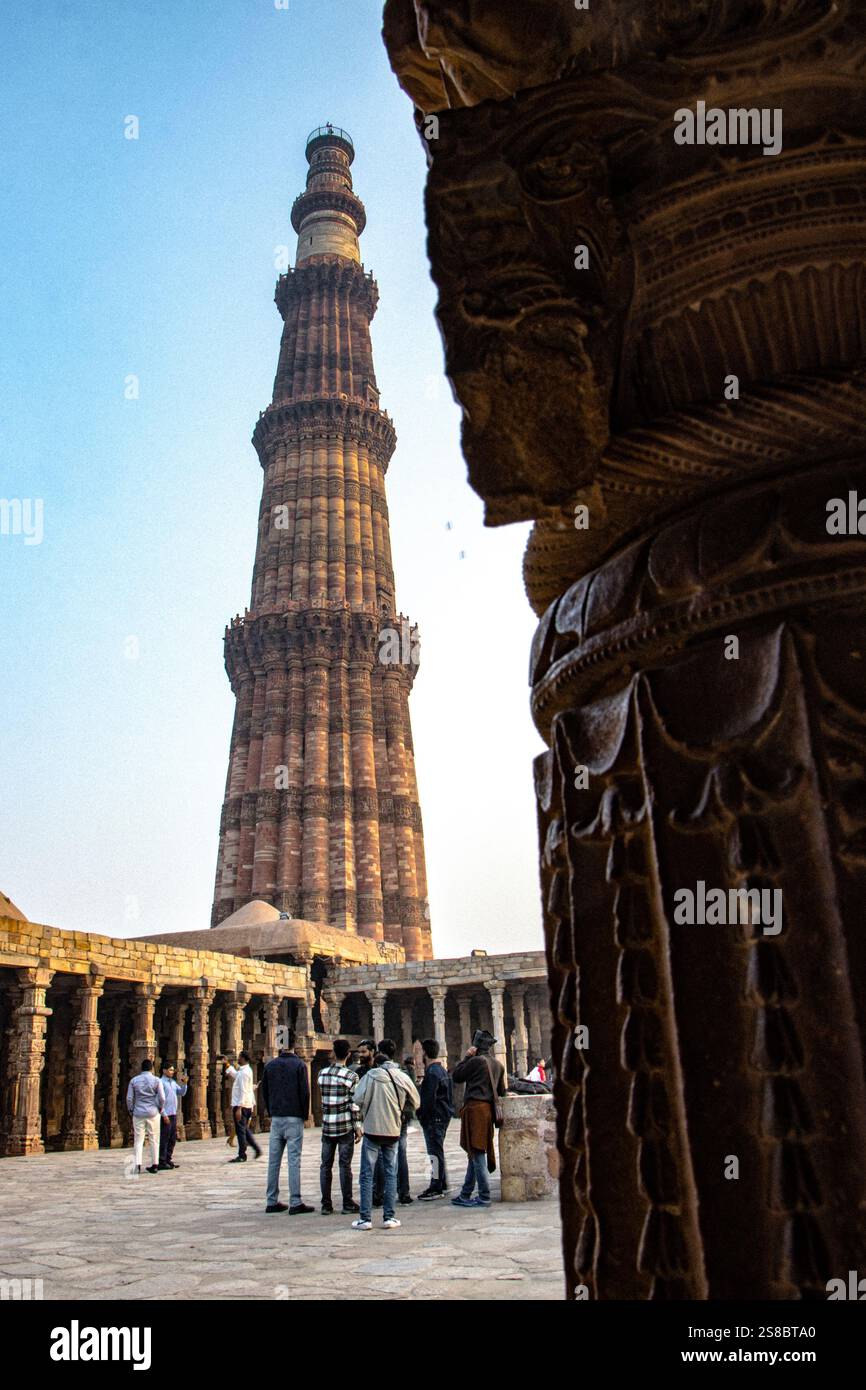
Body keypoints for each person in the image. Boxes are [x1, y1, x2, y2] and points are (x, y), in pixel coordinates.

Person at [352, 1044, 420, 1231]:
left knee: (366, 1174)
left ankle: (365, 1219)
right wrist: (400, 1107)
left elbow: (357, 1099)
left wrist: (370, 1107)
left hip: (372, 1130)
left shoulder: (369, 1076)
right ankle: (389, 1217)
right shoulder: (401, 1076)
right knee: (391, 1173)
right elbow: (416, 1102)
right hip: (393, 1130)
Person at [451, 1030, 505, 1208]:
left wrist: (466, 1057)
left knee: (478, 1152)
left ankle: (484, 1195)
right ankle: (466, 1193)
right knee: (475, 1151)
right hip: (487, 1111)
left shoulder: (475, 1061)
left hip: (475, 1109)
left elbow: (457, 1076)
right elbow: (502, 1092)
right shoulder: (498, 1065)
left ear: (476, 1046)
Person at [261, 1032, 313, 1214]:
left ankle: (271, 1200)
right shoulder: (299, 1065)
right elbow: (305, 1092)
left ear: (278, 1043)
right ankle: (295, 1201)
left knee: (273, 1161)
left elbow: (264, 1091)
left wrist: (271, 1110)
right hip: (294, 1116)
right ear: (294, 1043)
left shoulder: (270, 1065)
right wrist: (305, 1115)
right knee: (293, 1160)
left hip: (276, 1117)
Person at [317, 1038, 361, 1216]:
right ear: (349, 1055)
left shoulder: (322, 1074)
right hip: (345, 1125)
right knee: (345, 1165)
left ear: (333, 1053)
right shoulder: (351, 1076)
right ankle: (347, 1202)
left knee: (325, 1165)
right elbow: (354, 1104)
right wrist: (358, 1126)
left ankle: (326, 1204)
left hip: (328, 1125)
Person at [417, 1038, 454, 1200]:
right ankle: (443, 1183)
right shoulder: (442, 1071)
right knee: (437, 1152)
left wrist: (422, 1116)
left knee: (434, 1153)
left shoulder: (432, 1073)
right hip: (443, 1116)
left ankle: (436, 1186)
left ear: (424, 1052)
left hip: (434, 1118)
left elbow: (429, 1100)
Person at [221, 1051, 262, 1162]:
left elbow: (243, 1090)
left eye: (239, 1057)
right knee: (244, 1129)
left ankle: (242, 1155)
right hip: (245, 1104)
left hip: (242, 1105)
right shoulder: (244, 1070)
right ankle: (256, 1149)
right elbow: (235, 1075)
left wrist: (239, 1108)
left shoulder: (244, 1072)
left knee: (241, 1131)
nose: (238, 1059)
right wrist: (227, 1064)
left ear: (243, 1058)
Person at [126, 1059, 165, 1175]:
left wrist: (131, 1110)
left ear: (141, 1068)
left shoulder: (134, 1081)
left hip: (138, 1112)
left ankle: (137, 1165)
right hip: (153, 1112)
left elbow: (129, 1098)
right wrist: (160, 1108)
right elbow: (162, 1098)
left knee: (138, 1140)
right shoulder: (156, 1080)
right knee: (154, 1139)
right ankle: (155, 1164)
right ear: (152, 1068)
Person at [157, 1063, 187, 1170]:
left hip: (173, 1114)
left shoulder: (173, 1083)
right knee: (164, 1138)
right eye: (170, 1070)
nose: (172, 1072)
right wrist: (163, 1114)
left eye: (173, 1070)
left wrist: (185, 1084)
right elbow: (159, 1100)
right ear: (164, 1071)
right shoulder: (160, 1082)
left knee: (172, 1138)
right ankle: (162, 1160)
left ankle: (168, 1159)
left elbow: (181, 1093)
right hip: (165, 1114)